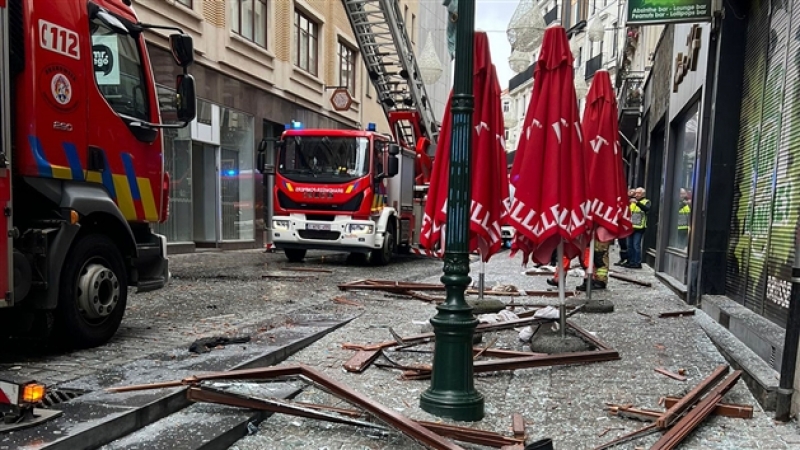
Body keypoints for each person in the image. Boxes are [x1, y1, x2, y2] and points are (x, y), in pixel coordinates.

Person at [624, 187, 650, 269]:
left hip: (639, 228)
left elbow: (646, 209)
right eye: (636, 193)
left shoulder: (646, 202)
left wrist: (637, 203)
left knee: (636, 245)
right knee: (629, 245)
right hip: (630, 228)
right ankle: (630, 262)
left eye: (638, 193)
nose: (636, 194)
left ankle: (637, 262)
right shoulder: (632, 202)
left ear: (643, 194)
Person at [616, 188, 635, 266]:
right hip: (622, 226)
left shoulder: (635, 202)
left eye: (632, 192)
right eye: (630, 191)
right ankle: (623, 259)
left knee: (629, 245)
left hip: (632, 226)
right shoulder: (624, 201)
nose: (630, 193)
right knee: (622, 244)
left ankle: (629, 260)